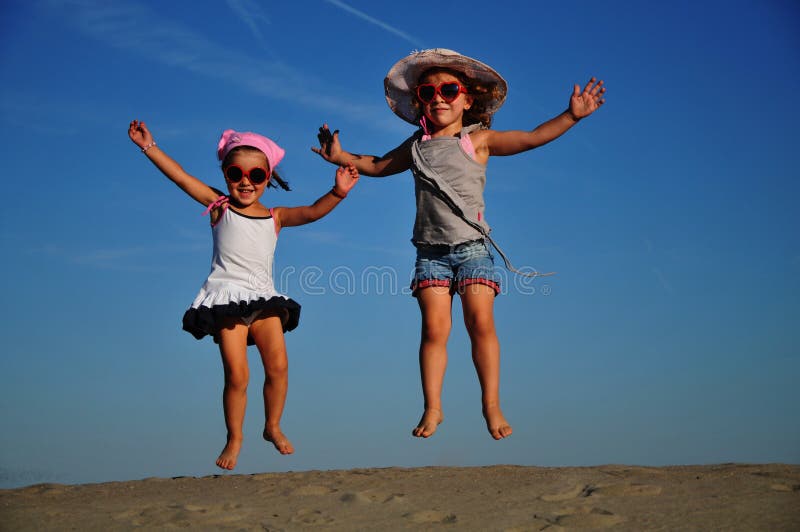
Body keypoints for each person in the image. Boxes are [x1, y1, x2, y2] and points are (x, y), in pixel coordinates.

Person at [312, 48, 605, 440]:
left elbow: (531, 138)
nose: (438, 99)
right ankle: (433, 408)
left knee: (480, 324)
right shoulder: (415, 146)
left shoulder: (477, 140)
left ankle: (491, 405)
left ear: (467, 100)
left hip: (472, 251)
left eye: (448, 90)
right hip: (430, 254)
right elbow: (378, 165)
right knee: (434, 331)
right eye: (428, 92)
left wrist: (571, 115)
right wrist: (339, 156)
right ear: (419, 102)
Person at [129, 120, 359, 469]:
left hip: (264, 300)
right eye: (236, 173)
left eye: (256, 175)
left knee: (278, 367)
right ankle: (234, 437)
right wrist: (149, 147)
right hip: (226, 301)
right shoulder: (219, 206)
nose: (245, 182)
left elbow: (312, 212)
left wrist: (338, 192)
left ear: (268, 177)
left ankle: (272, 426)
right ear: (225, 174)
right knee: (237, 376)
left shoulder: (275, 217)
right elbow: (181, 177)